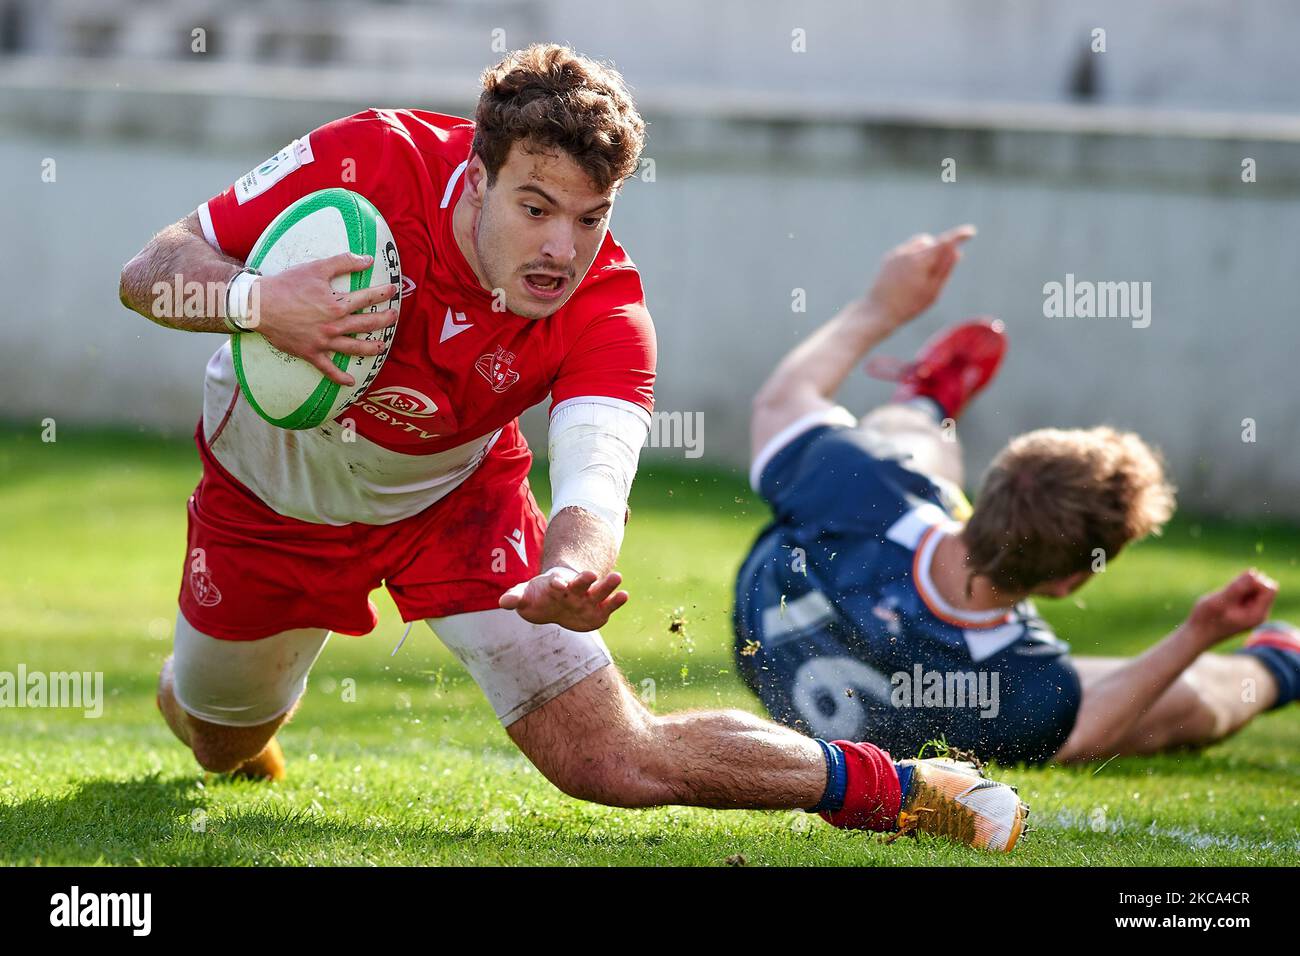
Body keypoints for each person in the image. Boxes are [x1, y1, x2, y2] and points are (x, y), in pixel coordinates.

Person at [117, 45, 1028, 851]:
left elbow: (596, 481)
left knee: (612, 761)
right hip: (267, 503)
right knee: (218, 742)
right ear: (475, 177)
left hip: (454, 506)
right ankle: (208, 697)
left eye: (589, 218)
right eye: (536, 206)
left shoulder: (610, 316)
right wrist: (261, 303)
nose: (562, 248)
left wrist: (569, 571)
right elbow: (150, 273)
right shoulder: (371, 160)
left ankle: (902, 789)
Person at [736, 225, 1299, 764]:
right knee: (1185, 701)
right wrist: (1198, 633)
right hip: (878, 708)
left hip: (760, 649)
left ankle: (925, 404)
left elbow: (782, 401)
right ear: (1067, 582)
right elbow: (1076, 736)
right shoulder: (1026, 678)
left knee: (899, 448)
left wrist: (882, 306)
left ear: (983, 496)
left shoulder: (863, 483)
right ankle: (1279, 664)